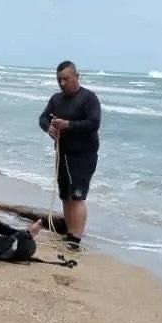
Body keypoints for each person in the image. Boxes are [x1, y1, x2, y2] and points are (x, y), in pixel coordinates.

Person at [38, 60, 102, 250]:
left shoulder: (88, 99)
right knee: (65, 194)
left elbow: (94, 123)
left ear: (76, 77)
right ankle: (70, 231)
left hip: (83, 154)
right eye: (59, 79)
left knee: (77, 195)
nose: (63, 83)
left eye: (66, 79)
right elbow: (42, 118)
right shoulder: (56, 99)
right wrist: (48, 128)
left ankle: (76, 237)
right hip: (63, 153)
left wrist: (69, 125)